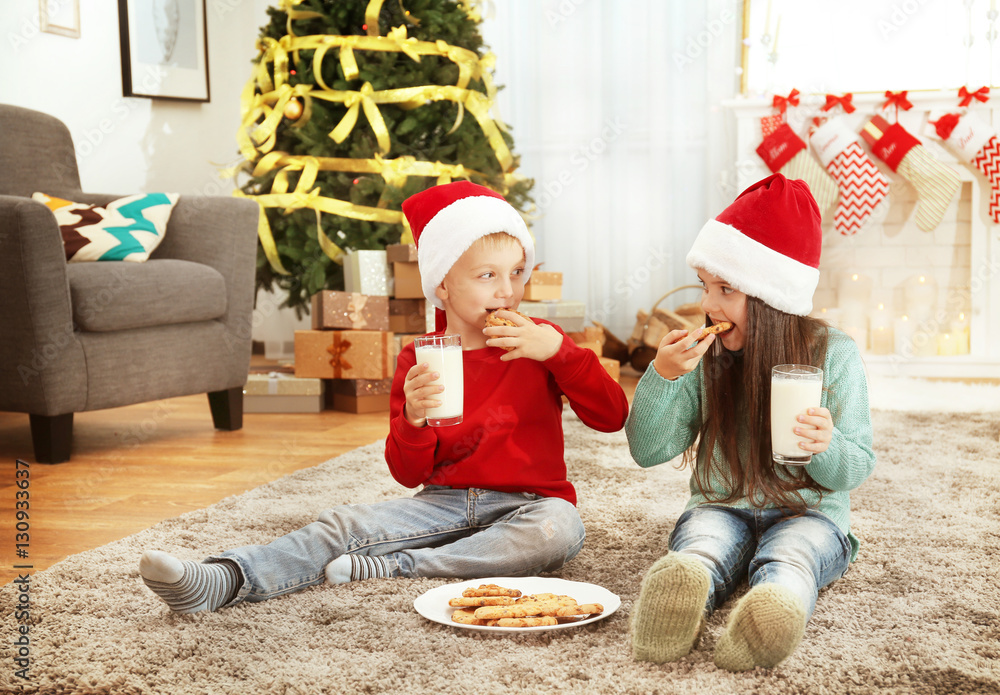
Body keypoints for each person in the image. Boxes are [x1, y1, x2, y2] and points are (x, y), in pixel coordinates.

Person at [139, 180, 628, 614]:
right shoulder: (422, 356)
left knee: (559, 530)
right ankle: (224, 578)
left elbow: (611, 416)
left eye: (517, 272)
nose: (508, 290)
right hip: (443, 503)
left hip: (530, 503)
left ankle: (402, 566)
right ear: (442, 284)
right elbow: (407, 473)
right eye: (487, 276)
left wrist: (561, 354)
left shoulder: (542, 342)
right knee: (342, 524)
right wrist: (413, 420)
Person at [625, 173, 876, 671]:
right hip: (722, 503)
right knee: (703, 545)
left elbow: (856, 467)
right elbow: (648, 449)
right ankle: (682, 589)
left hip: (809, 511)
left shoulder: (835, 355)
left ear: (772, 299)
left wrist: (825, 446)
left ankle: (775, 607)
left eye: (725, 289)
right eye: (705, 286)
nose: (707, 305)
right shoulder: (708, 355)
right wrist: (663, 377)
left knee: (795, 556)